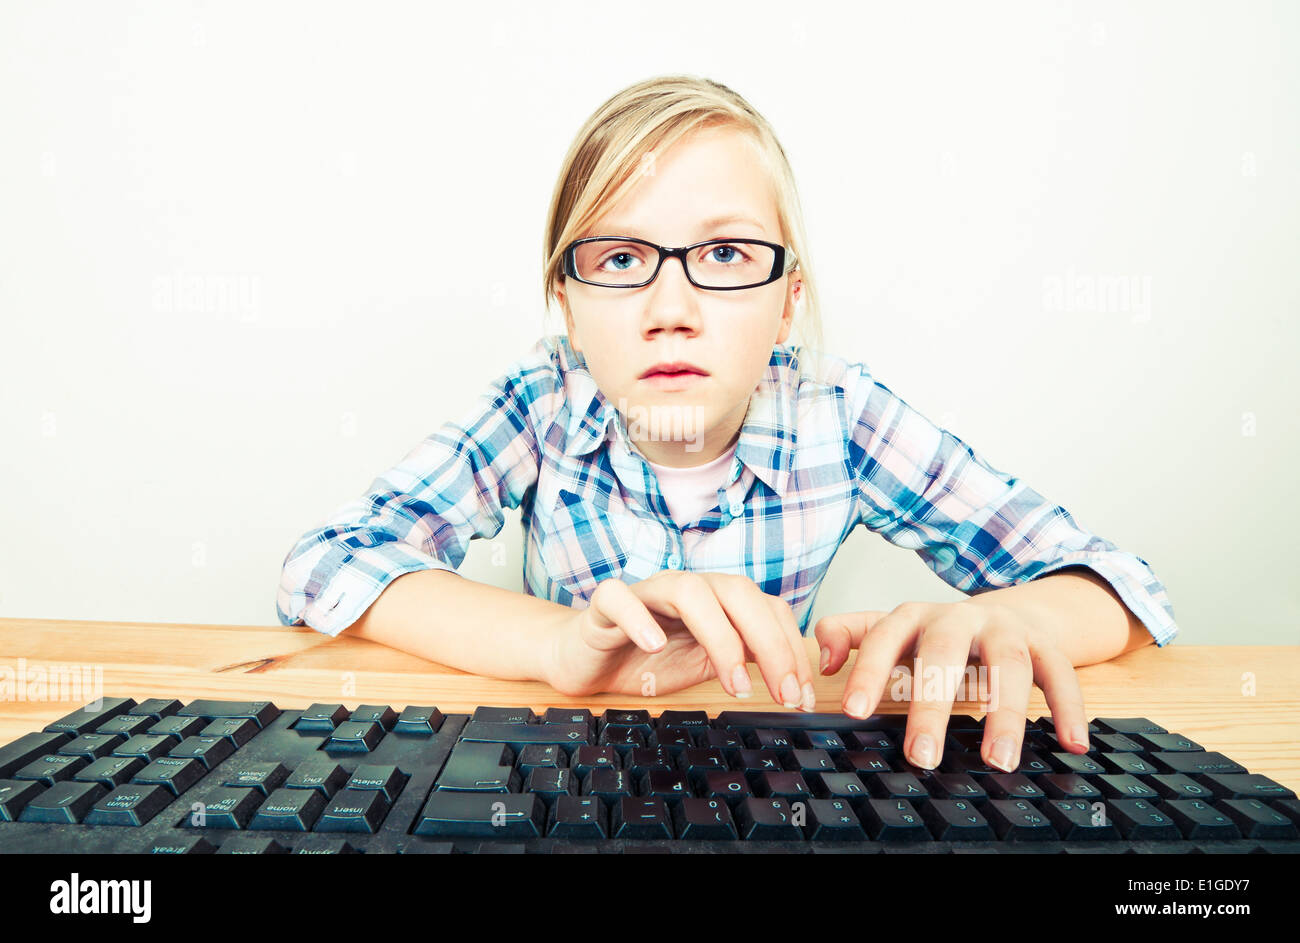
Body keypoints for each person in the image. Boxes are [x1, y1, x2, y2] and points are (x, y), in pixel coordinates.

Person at [276, 74, 1178, 775]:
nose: (672, 306)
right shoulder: (539, 403)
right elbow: (325, 564)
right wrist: (555, 648)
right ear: (568, 301)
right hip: (572, 775)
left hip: (774, 777)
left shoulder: (840, 411)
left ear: (788, 302)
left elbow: (1122, 588)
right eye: (622, 256)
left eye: (724, 254)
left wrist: (1006, 621)